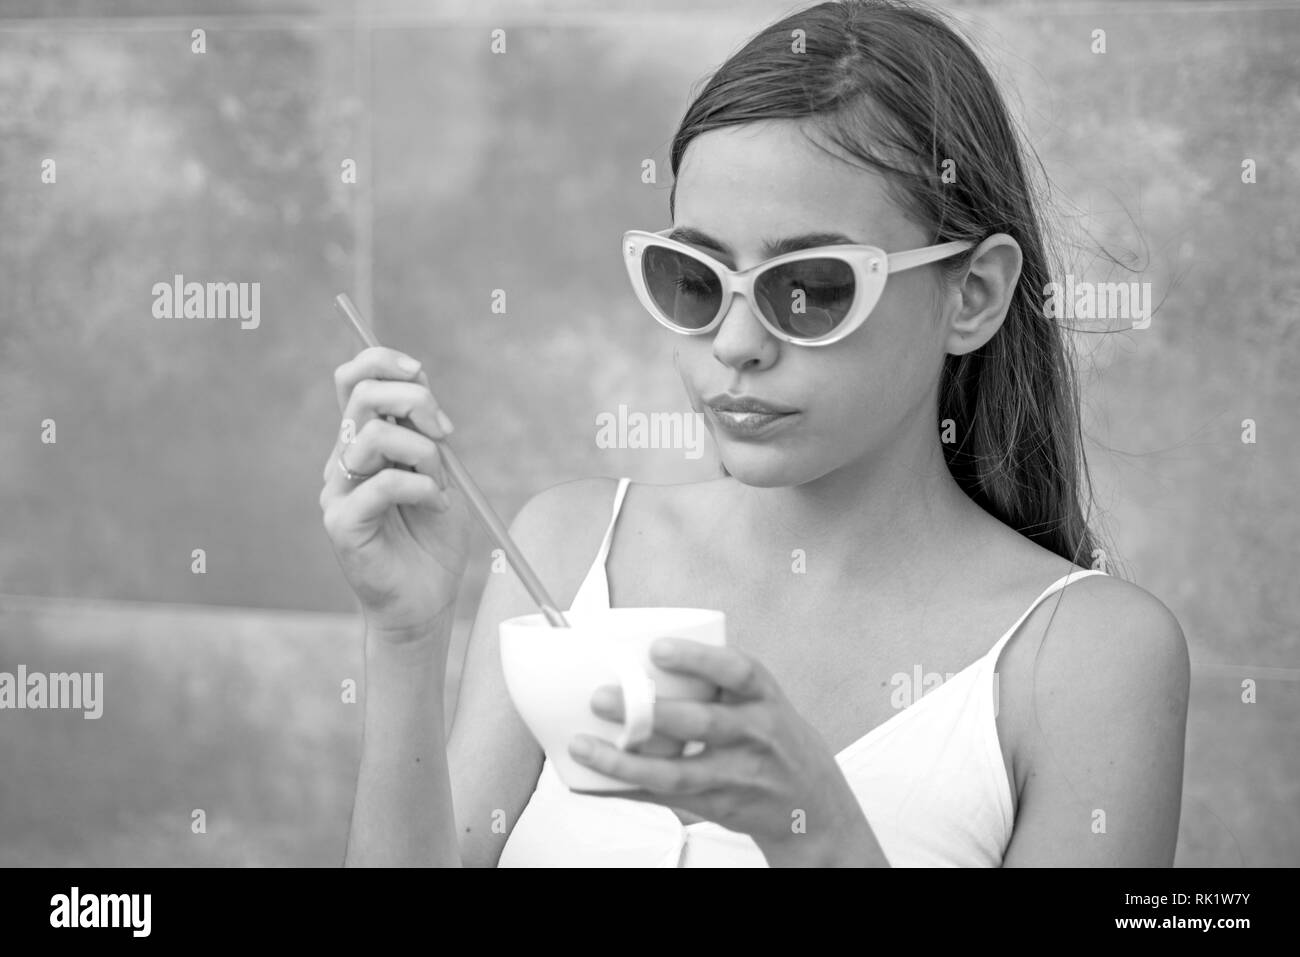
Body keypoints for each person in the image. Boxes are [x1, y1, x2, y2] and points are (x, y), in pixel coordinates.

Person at [319, 0, 1189, 867]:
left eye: (809, 286)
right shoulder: (562, 549)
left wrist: (816, 828)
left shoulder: (1093, 656)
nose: (735, 345)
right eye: (693, 278)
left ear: (973, 294)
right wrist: (404, 638)